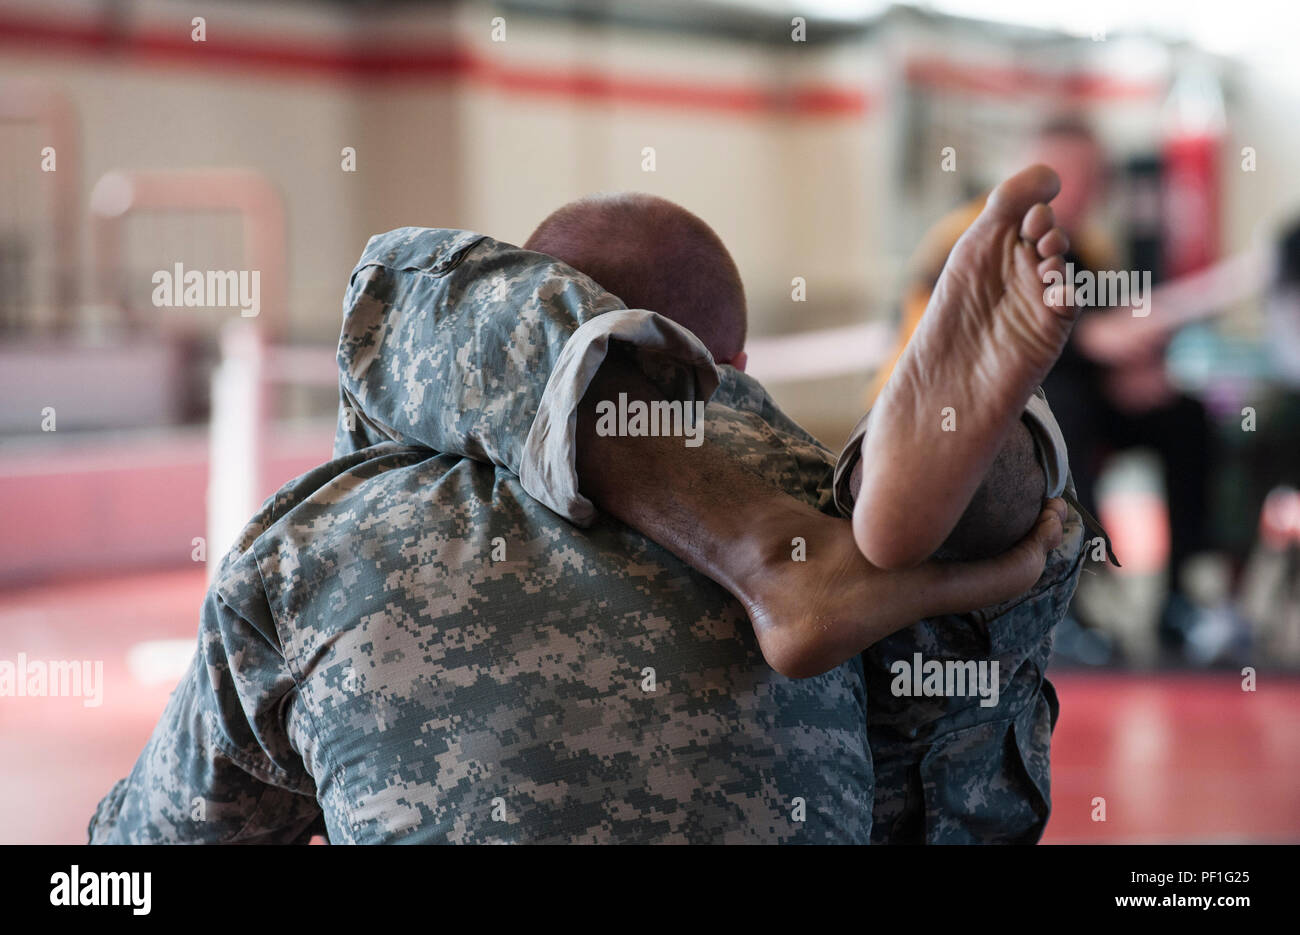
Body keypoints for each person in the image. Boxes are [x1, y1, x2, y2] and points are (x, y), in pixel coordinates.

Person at [89, 167, 1084, 844]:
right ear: (732, 365)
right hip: (842, 556)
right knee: (946, 647)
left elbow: (140, 857)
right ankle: (1003, 473)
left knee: (396, 277)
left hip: (393, 524)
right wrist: (997, 570)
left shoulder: (321, 532)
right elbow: (960, 809)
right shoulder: (803, 486)